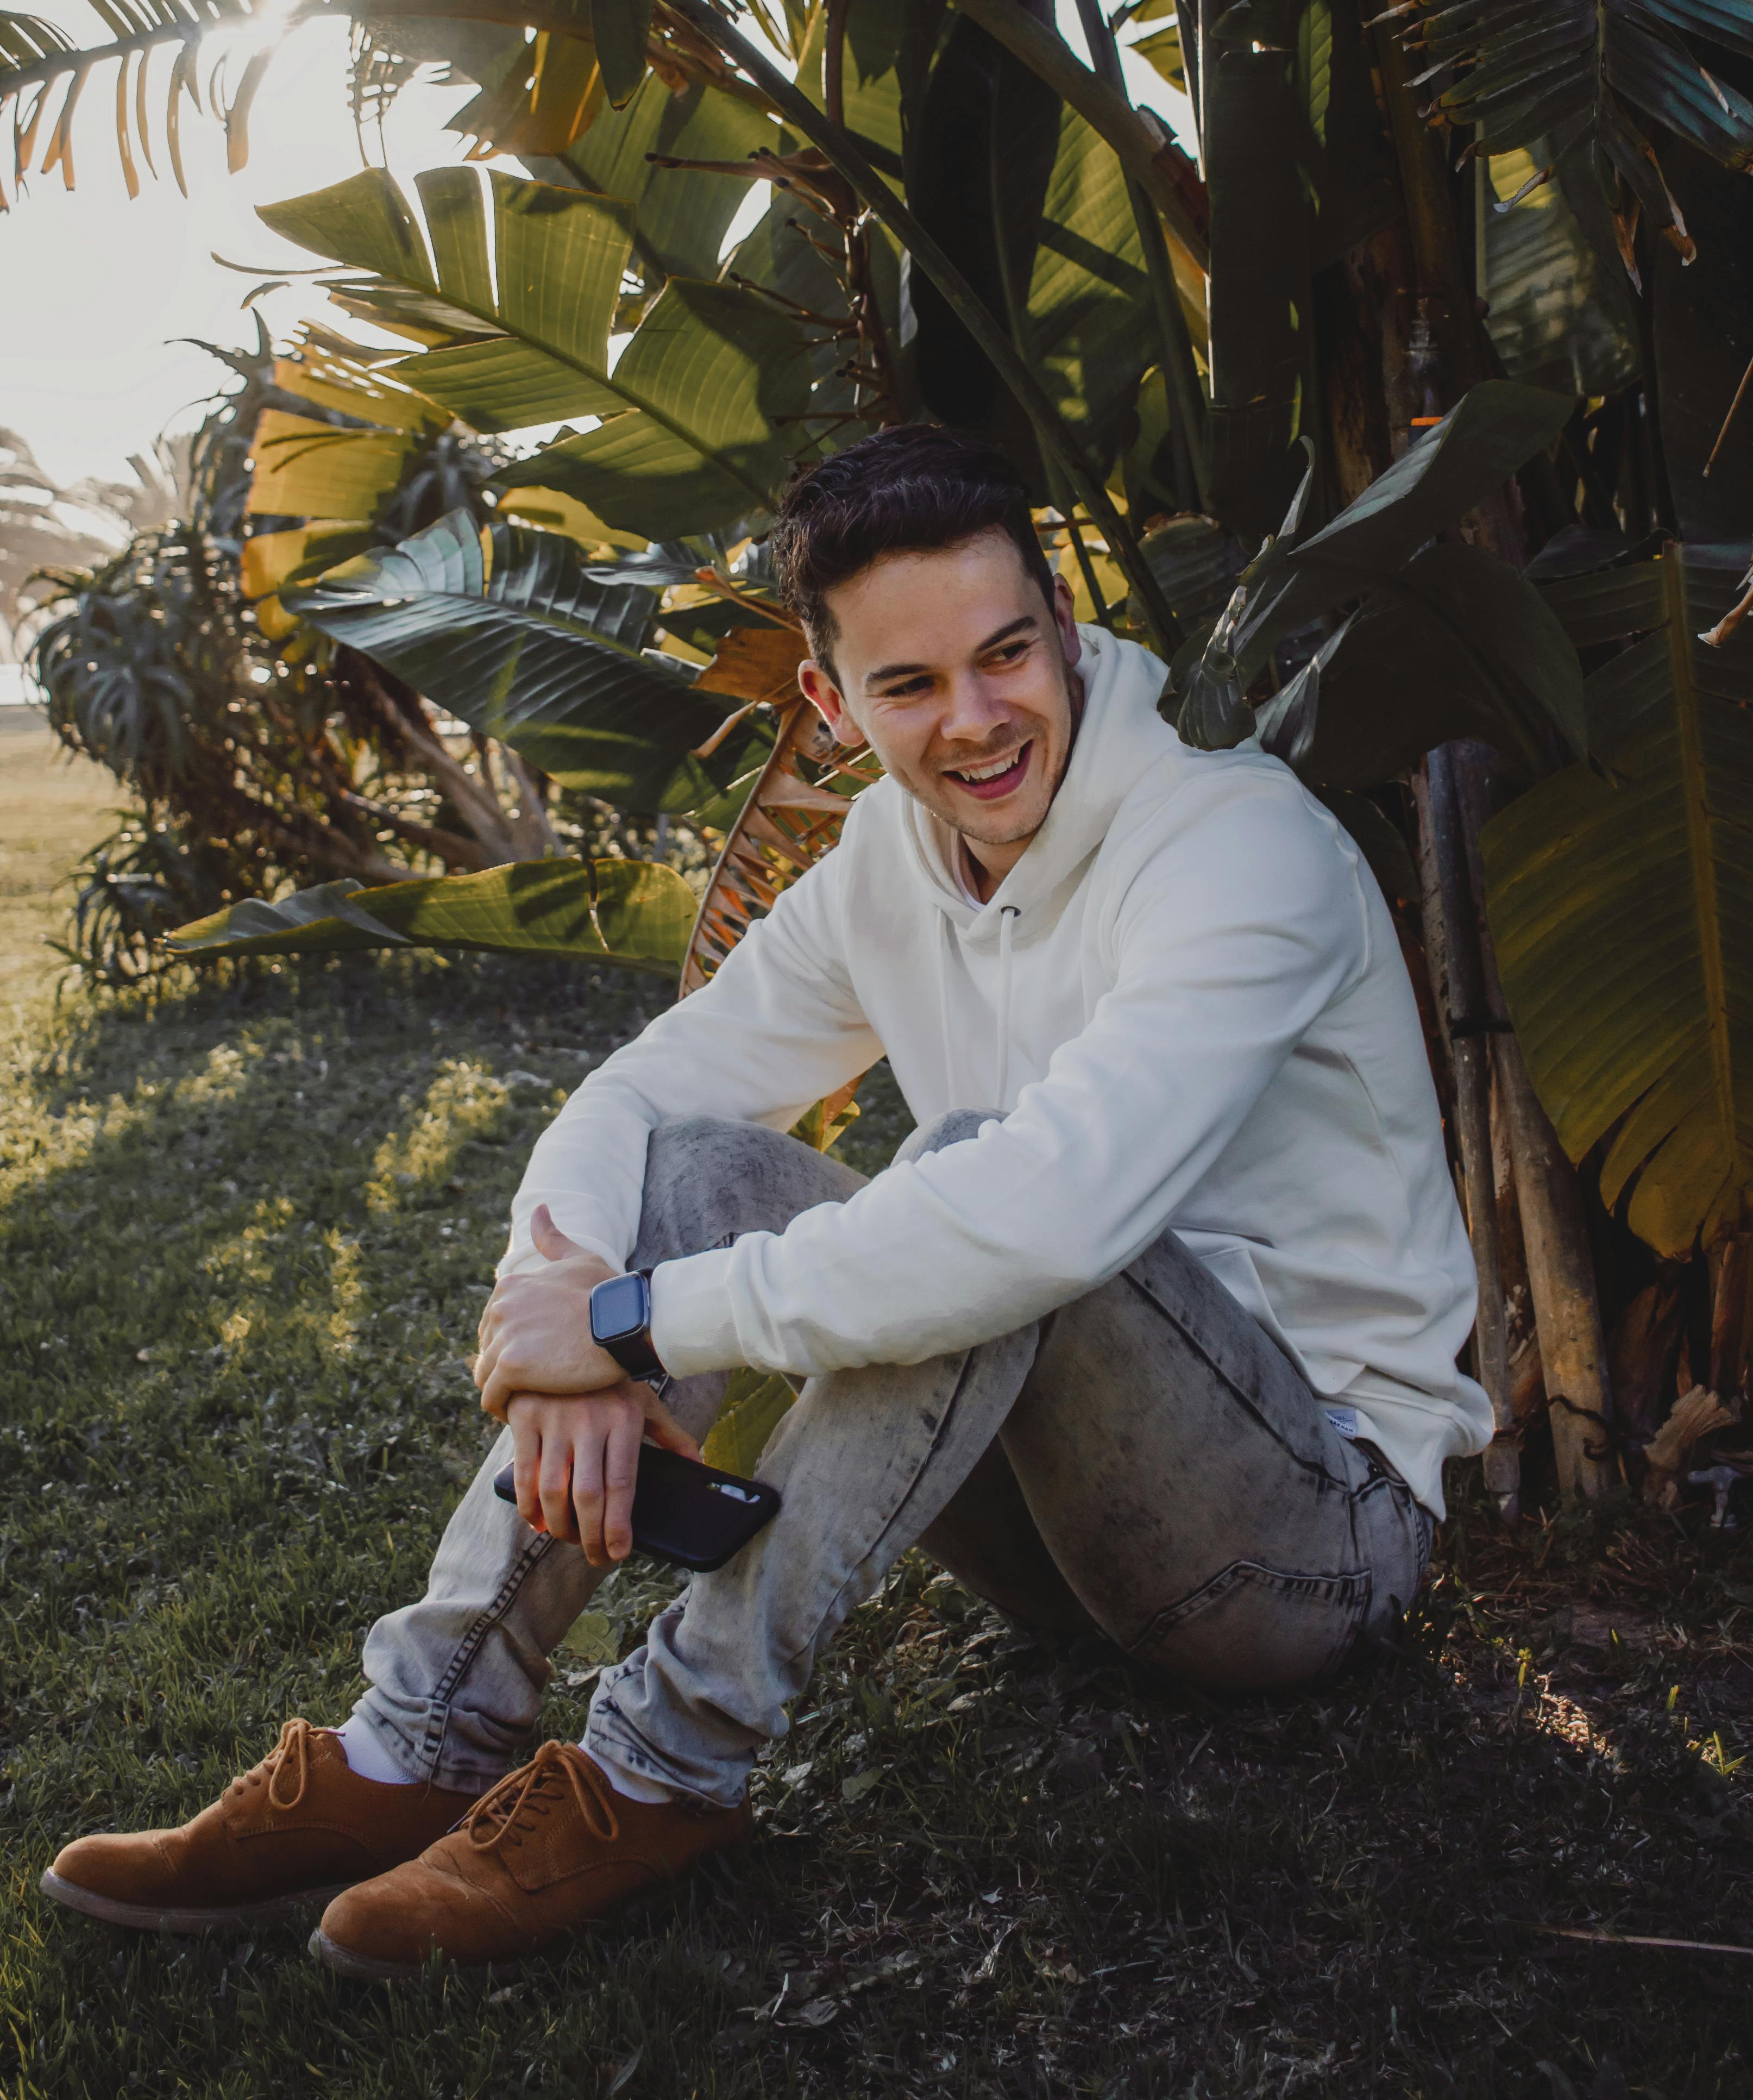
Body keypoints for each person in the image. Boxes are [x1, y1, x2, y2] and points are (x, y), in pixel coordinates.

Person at [43, 423, 1492, 1977]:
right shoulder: (888, 861)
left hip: (1301, 1553)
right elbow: (647, 1094)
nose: (980, 719)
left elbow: (1044, 1222)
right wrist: (575, 1308)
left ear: (1065, 630)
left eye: (1008, 654)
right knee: (692, 1170)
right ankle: (417, 1738)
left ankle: (666, 1767)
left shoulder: (1232, 843)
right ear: (832, 701)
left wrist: (629, 1328)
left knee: (975, 1195)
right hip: (1057, 1545)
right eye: (911, 685)